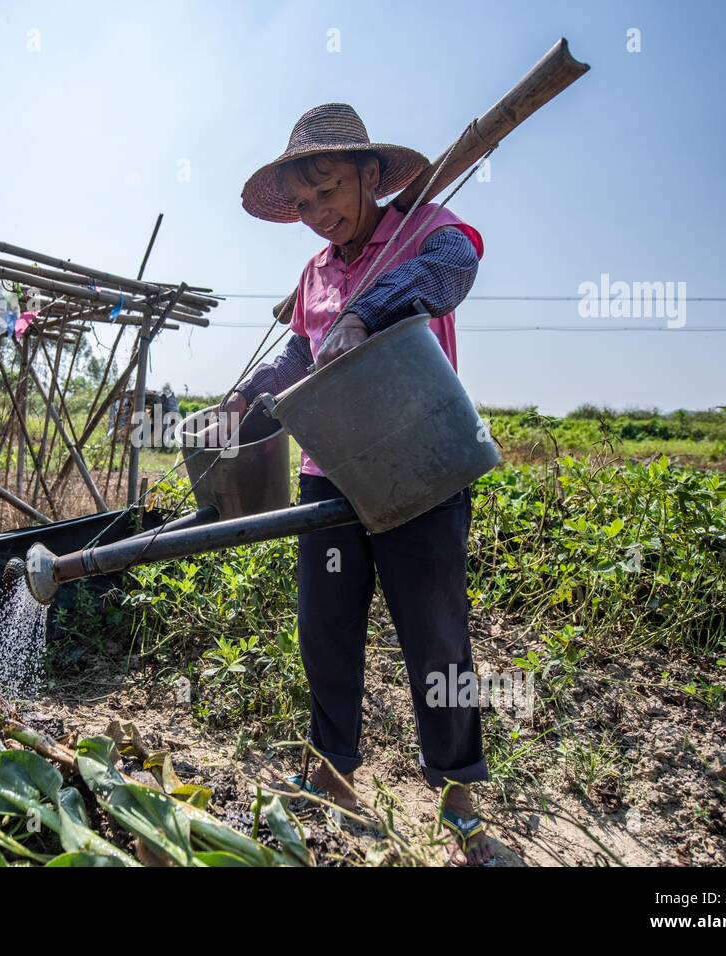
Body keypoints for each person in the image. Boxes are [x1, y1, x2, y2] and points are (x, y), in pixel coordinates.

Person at [226, 103, 493, 865]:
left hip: (421, 466)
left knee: (436, 634)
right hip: (329, 478)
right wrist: (247, 395)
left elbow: (451, 272)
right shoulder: (313, 272)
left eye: (329, 191)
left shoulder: (426, 229)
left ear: (371, 175)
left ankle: (457, 787)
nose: (316, 215)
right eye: (303, 205)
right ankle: (333, 768)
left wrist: (367, 315)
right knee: (326, 628)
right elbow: (297, 355)